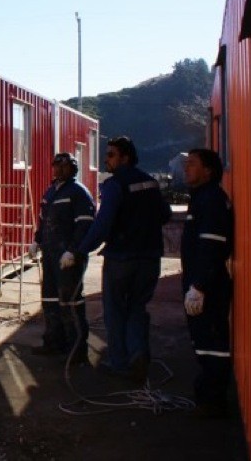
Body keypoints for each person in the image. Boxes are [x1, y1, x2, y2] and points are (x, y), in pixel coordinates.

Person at [61, 136, 172, 384]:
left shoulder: (115, 185)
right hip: (150, 258)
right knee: (137, 309)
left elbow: (102, 224)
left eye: (111, 154)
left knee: (115, 311)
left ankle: (121, 364)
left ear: (125, 157)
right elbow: (164, 215)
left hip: (122, 258)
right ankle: (139, 355)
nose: (106, 159)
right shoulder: (151, 183)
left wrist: (79, 251)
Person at [29, 153, 96, 365]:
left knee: (70, 300)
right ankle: (53, 342)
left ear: (72, 169)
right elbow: (43, 220)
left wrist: (74, 251)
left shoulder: (78, 192)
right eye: (56, 165)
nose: (58, 170)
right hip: (49, 255)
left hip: (68, 257)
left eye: (63, 166)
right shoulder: (51, 191)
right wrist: (37, 241)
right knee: (49, 298)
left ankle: (77, 349)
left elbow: (85, 224)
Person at [181, 148, 233, 417]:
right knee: (203, 342)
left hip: (208, 287)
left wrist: (199, 286)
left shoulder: (211, 200)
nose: (185, 168)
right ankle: (207, 396)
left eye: (192, 164)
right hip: (201, 283)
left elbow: (212, 247)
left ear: (208, 171)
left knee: (211, 343)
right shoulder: (202, 197)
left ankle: (214, 401)